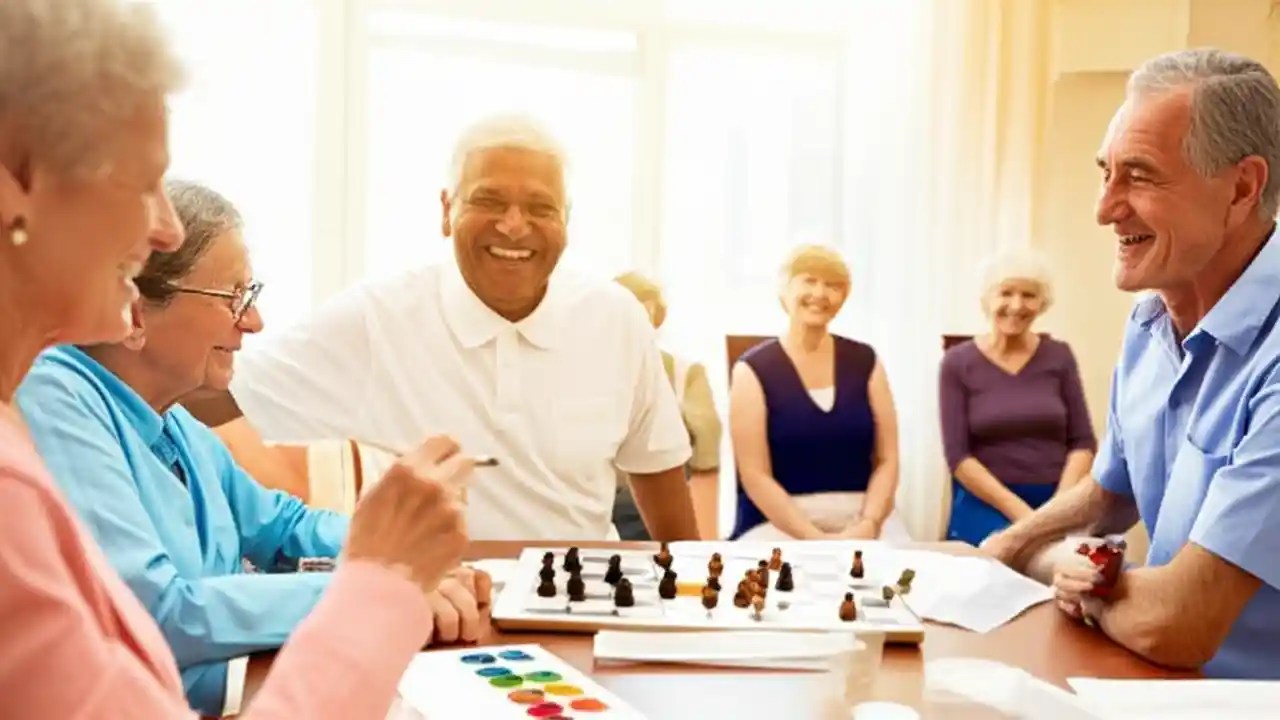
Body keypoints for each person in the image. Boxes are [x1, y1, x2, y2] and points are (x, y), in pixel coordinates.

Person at [0, 1, 471, 717]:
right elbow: (163, 614)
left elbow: (277, 527)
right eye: (139, 181)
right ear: (18, 181)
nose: (163, 227)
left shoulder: (164, 429)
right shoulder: (34, 437)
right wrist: (380, 581)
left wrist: (401, 549)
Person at [184, 115, 701, 542]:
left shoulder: (616, 318)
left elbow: (656, 468)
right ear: (447, 211)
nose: (514, 225)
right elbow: (208, 387)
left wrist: (690, 605)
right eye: (489, 201)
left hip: (578, 602)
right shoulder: (376, 318)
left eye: (540, 208)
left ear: (566, 220)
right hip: (437, 609)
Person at [983, 48, 1280, 678]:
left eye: (1139, 176)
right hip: (1145, 684)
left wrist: (1072, 580)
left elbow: (1178, 622)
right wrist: (1009, 546)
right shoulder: (1150, 324)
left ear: (1242, 188)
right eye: (1106, 173)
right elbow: (1109, 492)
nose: (1105, 208)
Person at [728, 245, 908, 541]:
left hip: (863, 518)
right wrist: (815, 539)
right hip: (778, 522)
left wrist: (870, 523)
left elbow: (888, 459)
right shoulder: (751, 369)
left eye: (832, 285)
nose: (820, 293)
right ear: (784, 289)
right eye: (809, 280)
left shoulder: (867, 360)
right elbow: (754, 475)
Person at [940, 249, 1096, 546]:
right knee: (1022, 558)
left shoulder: (1059, 356)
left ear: (1042, 303)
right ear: (987, 299)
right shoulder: (957, 363)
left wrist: (1056, 510)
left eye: (1029, 295)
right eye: (1006, 293)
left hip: (1057, 498)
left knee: (1093, 569)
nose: (1016, 305)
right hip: (986, 501)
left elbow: (1083, 442)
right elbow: (958, 457)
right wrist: (1029, 519)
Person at [612, 271, 723, 539]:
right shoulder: (577, 374)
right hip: (594, 514)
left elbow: (705, 467)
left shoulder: (687, 374)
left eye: (643, 314)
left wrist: (703, 551)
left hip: (661, 517)